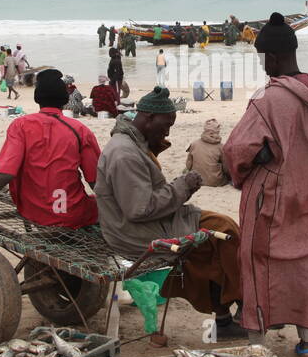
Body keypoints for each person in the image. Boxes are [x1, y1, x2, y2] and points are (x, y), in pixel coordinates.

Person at [223, 12, 308, 357]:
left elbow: (236, 149)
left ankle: (257, 340)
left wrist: (240, 168)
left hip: (272, 196)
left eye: (262, 59)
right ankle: (307, 342)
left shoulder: (269, 99)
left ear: (271, 57)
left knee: (259, 260)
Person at [95, 87, 245, 338]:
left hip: (148, 221)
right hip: (134, 231)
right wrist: (182, 187)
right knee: (224, 232)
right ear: (148, 118)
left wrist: (158, 151)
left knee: (223, 229)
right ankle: (242, 307)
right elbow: (139, 208)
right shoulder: (124, 154)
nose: (167, 132)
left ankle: (228, 314)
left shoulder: (132, 142)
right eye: (165, 126)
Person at [0, 69, 100, 227]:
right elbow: (96, 181)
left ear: (38, 98)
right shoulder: (80, 131)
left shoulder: (21, 126)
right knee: (94, 206)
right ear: (64, 99)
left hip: (32, 211)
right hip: (72, 213)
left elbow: (3, 174)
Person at [185, 118, 229, 186]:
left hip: (197, 180)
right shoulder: (221, 147)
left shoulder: (194, 144)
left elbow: (188, 164)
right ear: (218, 132)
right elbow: (226, 168)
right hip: (215, 181)